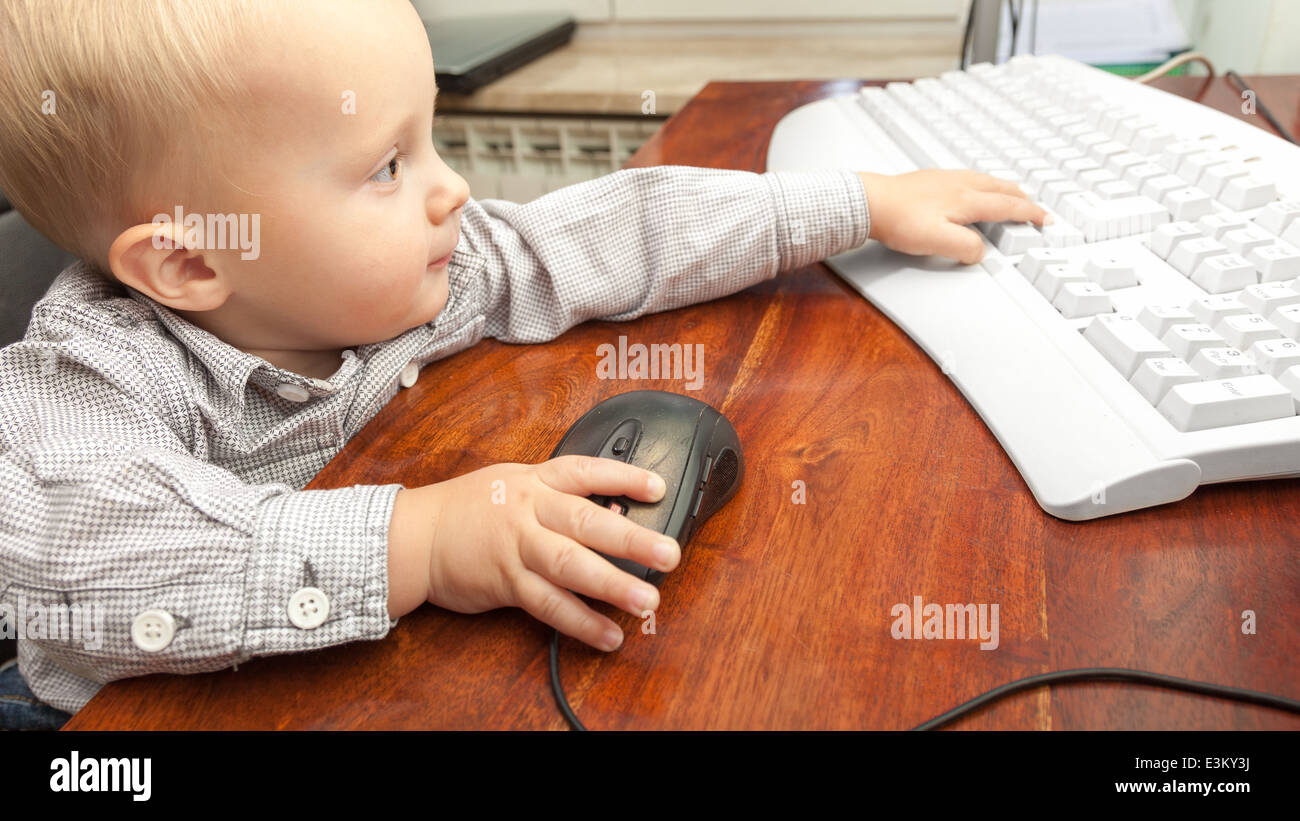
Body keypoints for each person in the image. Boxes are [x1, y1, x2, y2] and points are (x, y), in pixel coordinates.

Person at [0, 0, 1047, 728]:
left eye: (433, 139)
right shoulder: (83, 384)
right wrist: (424, 538)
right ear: (188, 258)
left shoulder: (412, 270)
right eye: (387, 166)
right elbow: (85, 563)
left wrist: (854, 204)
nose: (450, 189)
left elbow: (612, 231)